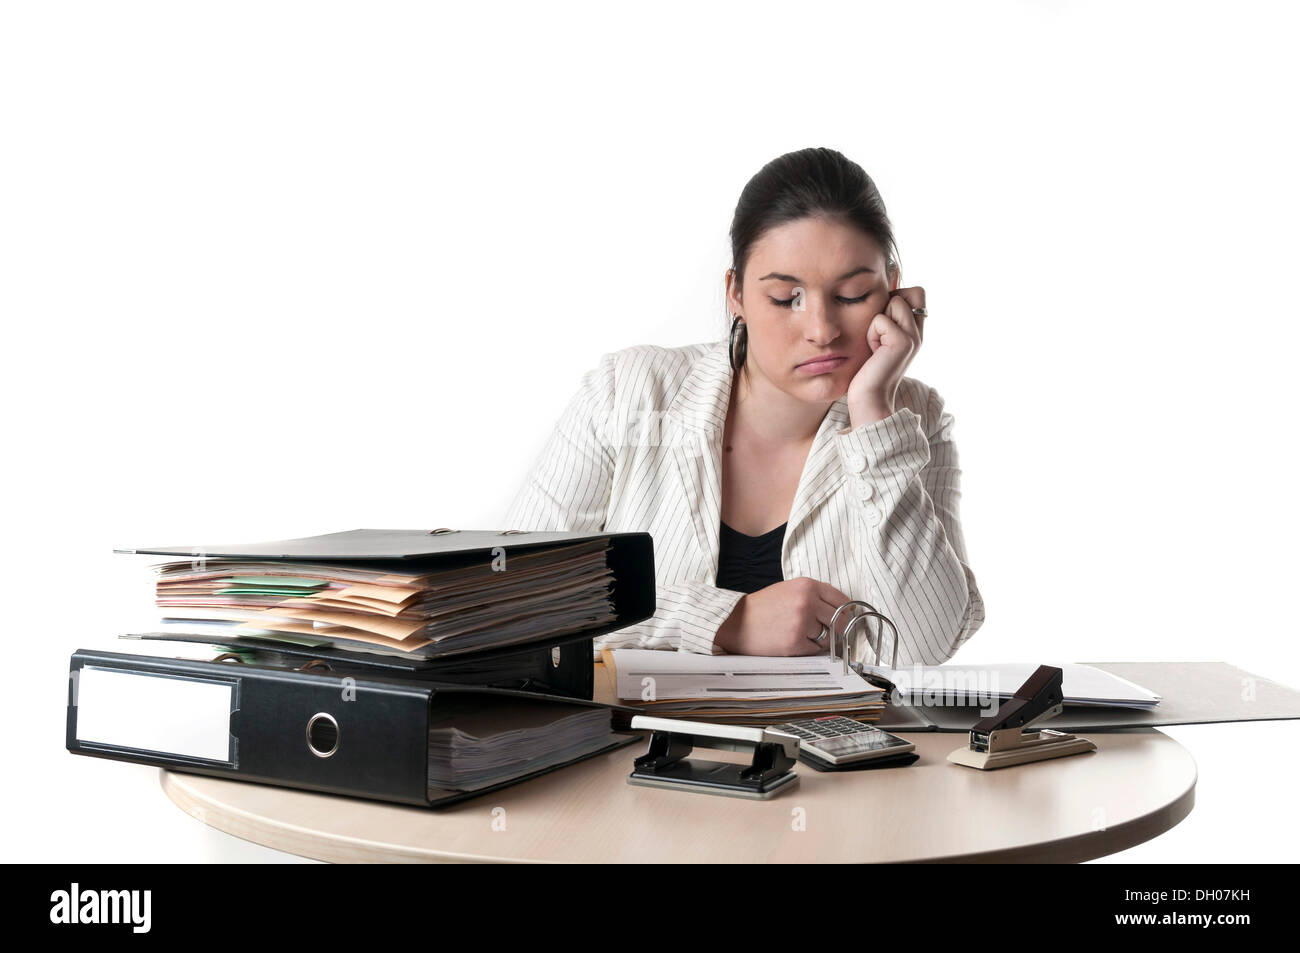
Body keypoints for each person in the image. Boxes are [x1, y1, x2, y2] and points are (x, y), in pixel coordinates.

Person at [503, 147, 985, 667]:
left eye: (851, 295)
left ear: (892, 288)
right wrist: (728, 621)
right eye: (785, 298)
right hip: (636, 743)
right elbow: (512, 602)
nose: (821, 330)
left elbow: (922, 648)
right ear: (735, 294)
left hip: (833, 743)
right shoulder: (629, 394)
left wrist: (872, 412)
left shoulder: (913, 421)